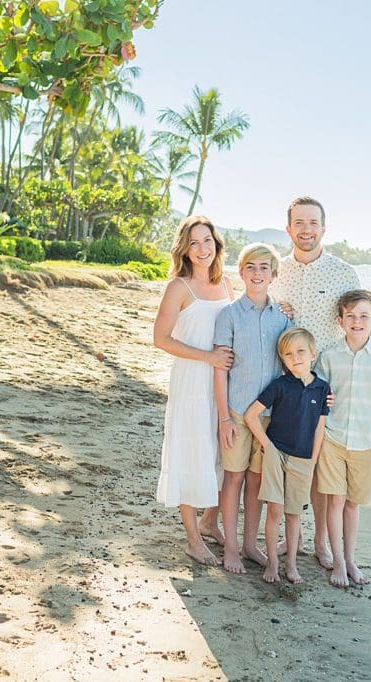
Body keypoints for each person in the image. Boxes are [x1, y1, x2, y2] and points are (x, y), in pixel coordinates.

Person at [269, 196, 361, 570]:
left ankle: (322, 541)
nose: (306, 229)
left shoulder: (344, 273)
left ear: (324, 228)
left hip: (326, 385)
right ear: (288, 227)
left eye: (313, 223)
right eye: (299, 223)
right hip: (283, 381)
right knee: (285, 459)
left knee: (321, 465)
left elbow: (358, 324)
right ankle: (291, 532)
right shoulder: (277, 270)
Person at [154, 215, 235, 566]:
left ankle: (209, 521)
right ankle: (191, 538)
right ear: (184, 249)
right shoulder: (179, 287)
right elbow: (161, 339)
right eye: (194, 242)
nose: (202, 249)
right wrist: (208, 357)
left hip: (223, 383)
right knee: (191, 452)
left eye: (207, 241)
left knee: (221, 451)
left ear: (216, 244)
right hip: (191, 381)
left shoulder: (228, 285)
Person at [213, 243, 291, 574]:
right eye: (250, 267)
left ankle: (249, 544)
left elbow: (292, 365)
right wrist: (223, 418)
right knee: (233, 478)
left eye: (264, 267)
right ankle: (231, 548)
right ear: (241, 272)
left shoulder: (283, 319)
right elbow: (220, 368)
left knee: (257, 482)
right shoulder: (229, 315)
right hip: (236, 412)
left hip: (269, 417)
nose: (257, 273)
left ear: (274, 275)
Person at [316, 290, 371, 587]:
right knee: (335, 501)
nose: (357, 321)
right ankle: (337, 562)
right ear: (340, 321)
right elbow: (318, 397)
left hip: (367, 443)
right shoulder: (328, 357)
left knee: (353, 504)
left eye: (364, 316)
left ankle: (351, 559)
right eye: (350, 316)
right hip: (334, 440)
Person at [244, 328, 331, 584]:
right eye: (289, 354)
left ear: (313, 354)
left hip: (303, 459)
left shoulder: (322, 388)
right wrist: (268, 446)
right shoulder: (280, 386)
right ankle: (272, 562)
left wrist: (313, 460)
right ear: (283, 359)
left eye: (301, 351)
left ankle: (291, 565)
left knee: (294, 515)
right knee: (275, 510)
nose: (296, 358)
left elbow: (319, 427)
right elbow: (251, 416)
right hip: (276, 453)